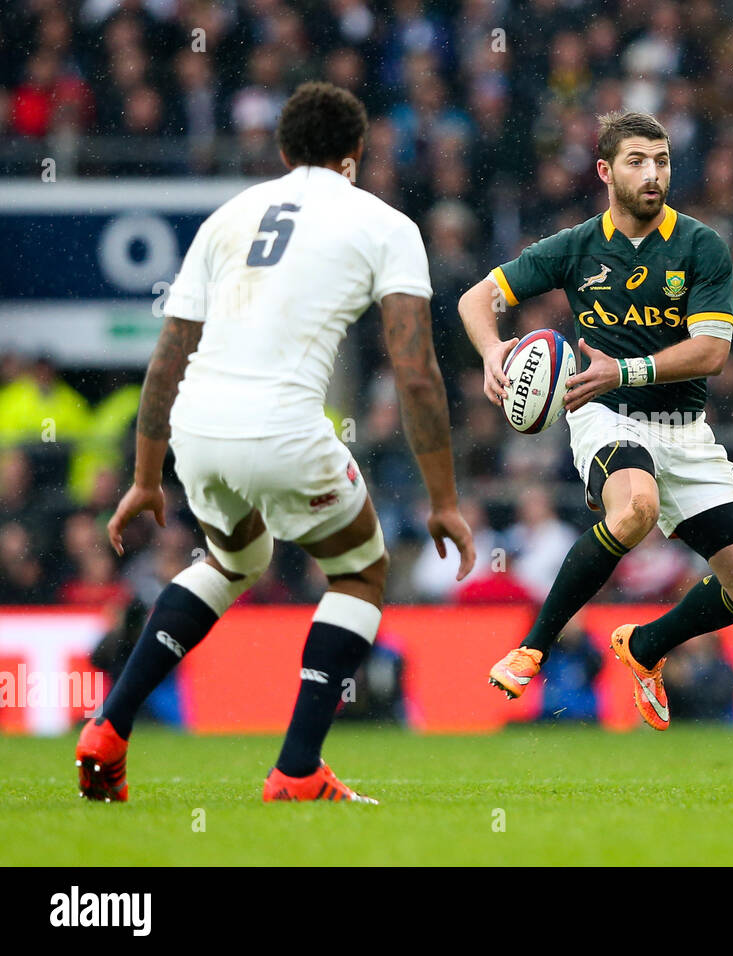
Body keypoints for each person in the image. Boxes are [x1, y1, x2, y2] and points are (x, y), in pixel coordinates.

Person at [74, 82, 474, 804]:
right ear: (356, 155)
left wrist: (144, 478)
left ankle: (108, 727)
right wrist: (444, 499)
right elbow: (415, 372)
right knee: (360, 571)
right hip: (284, 430)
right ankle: (296, 770)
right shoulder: (386, 224)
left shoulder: (228, 216)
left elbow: (168, 355)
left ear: (284, 151)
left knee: (234, 560)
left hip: (197, 430)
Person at [459, 110, 733, 731]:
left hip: (684, 429)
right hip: (606, 415)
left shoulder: (701, 245)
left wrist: (626, 369)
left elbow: (712, 351)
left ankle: (647, 646)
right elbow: (479, 299)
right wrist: (492, 348)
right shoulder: (576, 246)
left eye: (661, 160)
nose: (652, 173)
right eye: (637, 161)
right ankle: (534, 647)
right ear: (606, 170)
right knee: (633, 508)